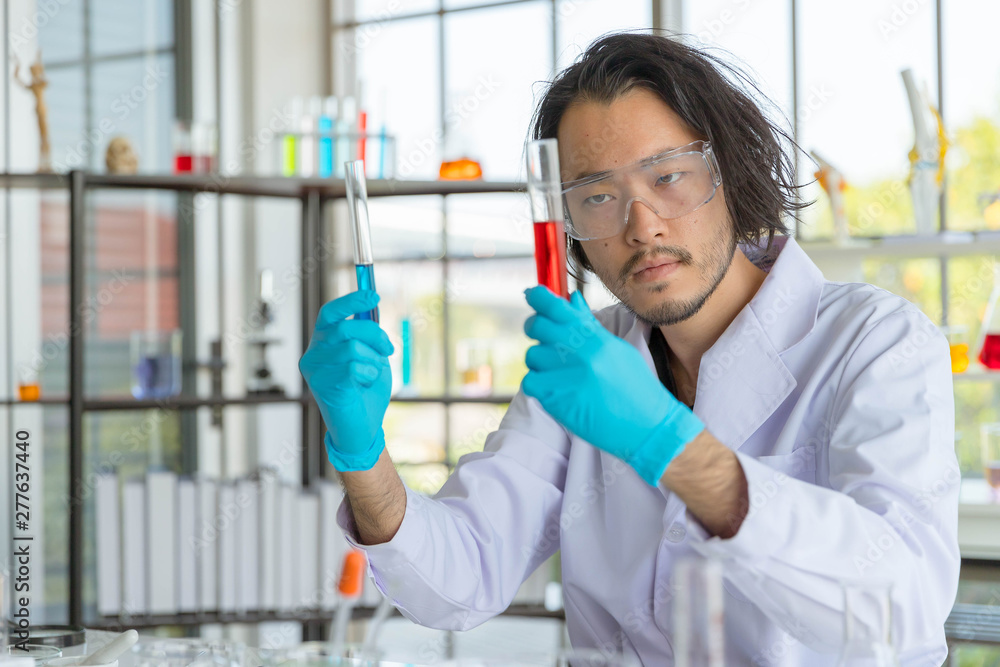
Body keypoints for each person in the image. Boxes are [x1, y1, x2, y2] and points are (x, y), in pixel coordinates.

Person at [299, 32, 959, 664]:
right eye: (598, 195)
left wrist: (672, 445)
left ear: (731, 169)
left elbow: (900, 604)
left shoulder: (877, 344)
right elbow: (461, 577)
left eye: (668, 176)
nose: (641, 225)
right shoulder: (588, 362)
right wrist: (361, 450)